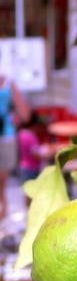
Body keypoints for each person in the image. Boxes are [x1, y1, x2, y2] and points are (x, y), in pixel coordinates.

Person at [0, 74, 30, 218]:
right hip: (6, 135)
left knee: (2, 179)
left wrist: (15, 115)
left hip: (5, 135)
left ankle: (3, 209)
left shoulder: (8, 83)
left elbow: (25, 115)